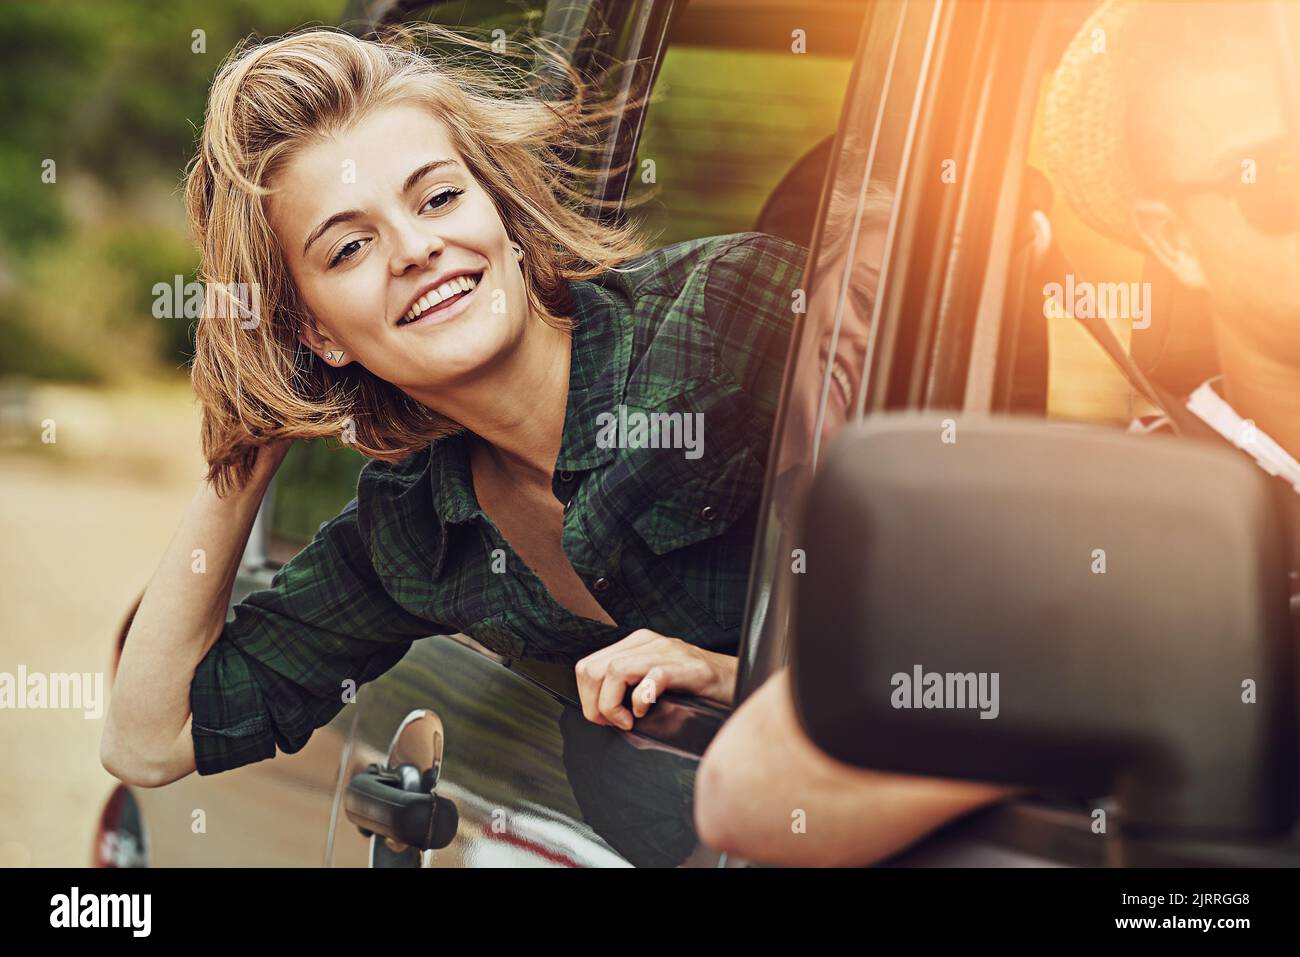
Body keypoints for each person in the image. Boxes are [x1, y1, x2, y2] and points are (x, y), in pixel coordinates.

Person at [100, 23, 805, 784]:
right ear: (318, 333)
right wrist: (248, 434)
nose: (413, 248)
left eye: (438, 197)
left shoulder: (733, 315)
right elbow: (146, 741)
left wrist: (742, 678)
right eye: (348, 248)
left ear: (499, 207)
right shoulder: (415, 532)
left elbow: (942, 607)